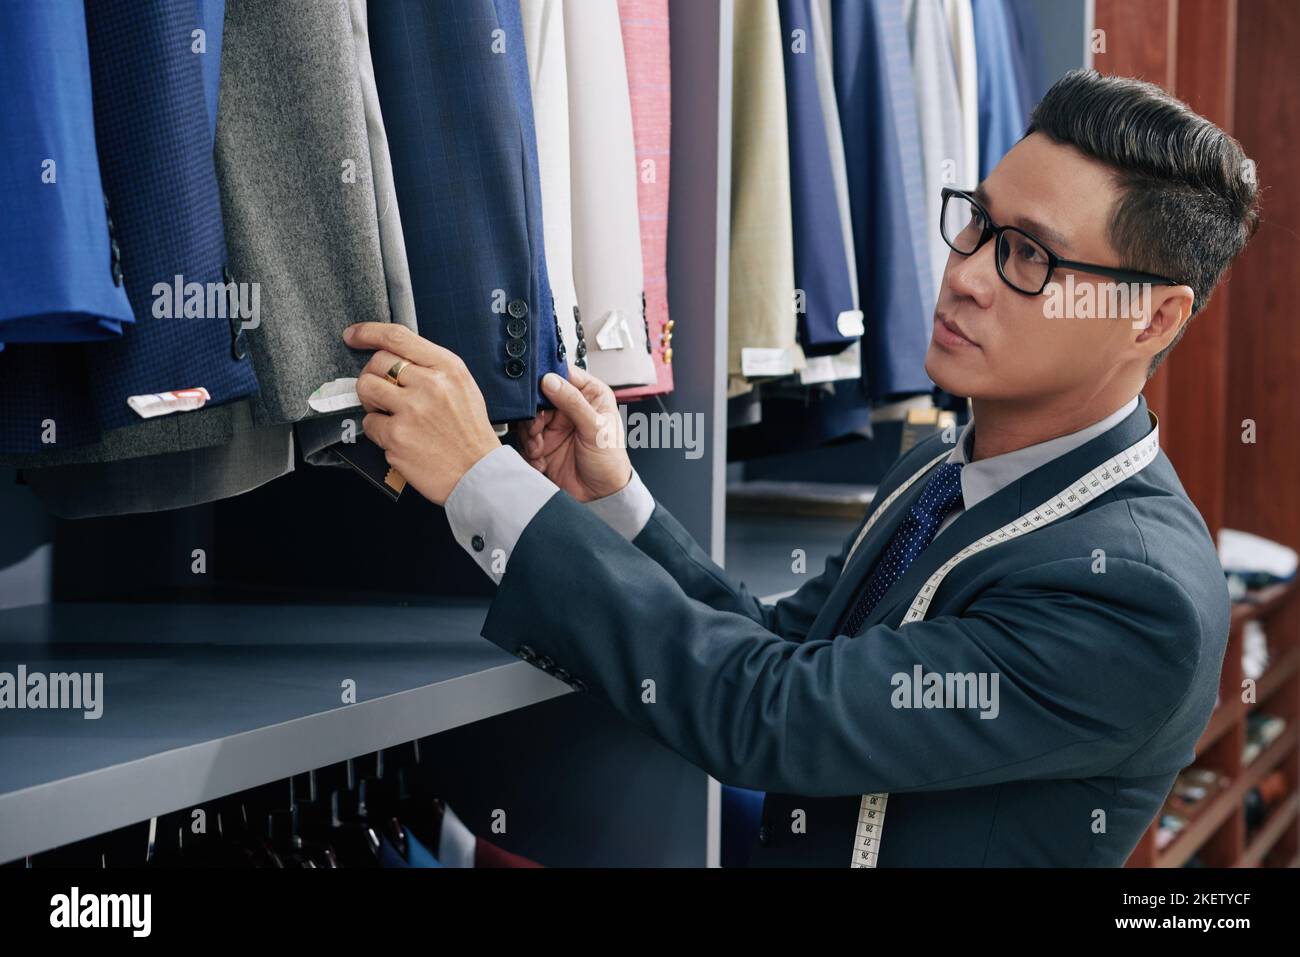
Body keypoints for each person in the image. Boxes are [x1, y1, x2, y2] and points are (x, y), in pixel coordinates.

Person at [342, 69, 1259, 866]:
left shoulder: (1136, 594)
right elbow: (788, 646)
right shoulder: (942, 463)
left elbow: (777, 712)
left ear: (1153, 319)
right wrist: (615, 500)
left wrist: (480, 477)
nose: (966, 274)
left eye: (1028, 255)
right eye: (977, 223)